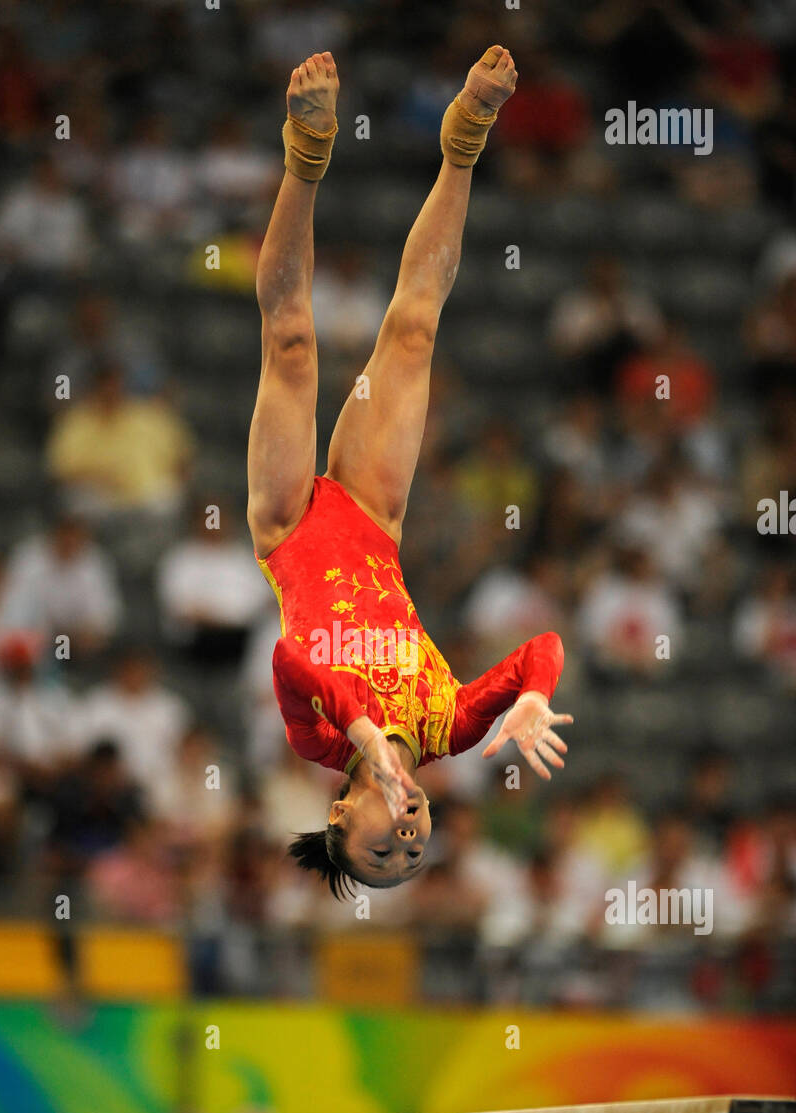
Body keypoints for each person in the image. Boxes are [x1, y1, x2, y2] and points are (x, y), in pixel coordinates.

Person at [246, 48, 572, 898]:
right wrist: (532, 697)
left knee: (290, 343)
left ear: (338, 820)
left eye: (380, 853)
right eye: (414, 855)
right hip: (371, 514)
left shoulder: (314, 742)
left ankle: (306, 150)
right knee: (416, 330)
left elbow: (290, 660)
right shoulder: (450, 727)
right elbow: (541, 644)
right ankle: (465, 137)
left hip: (286, 529)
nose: (407, 841)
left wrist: (357, 736)